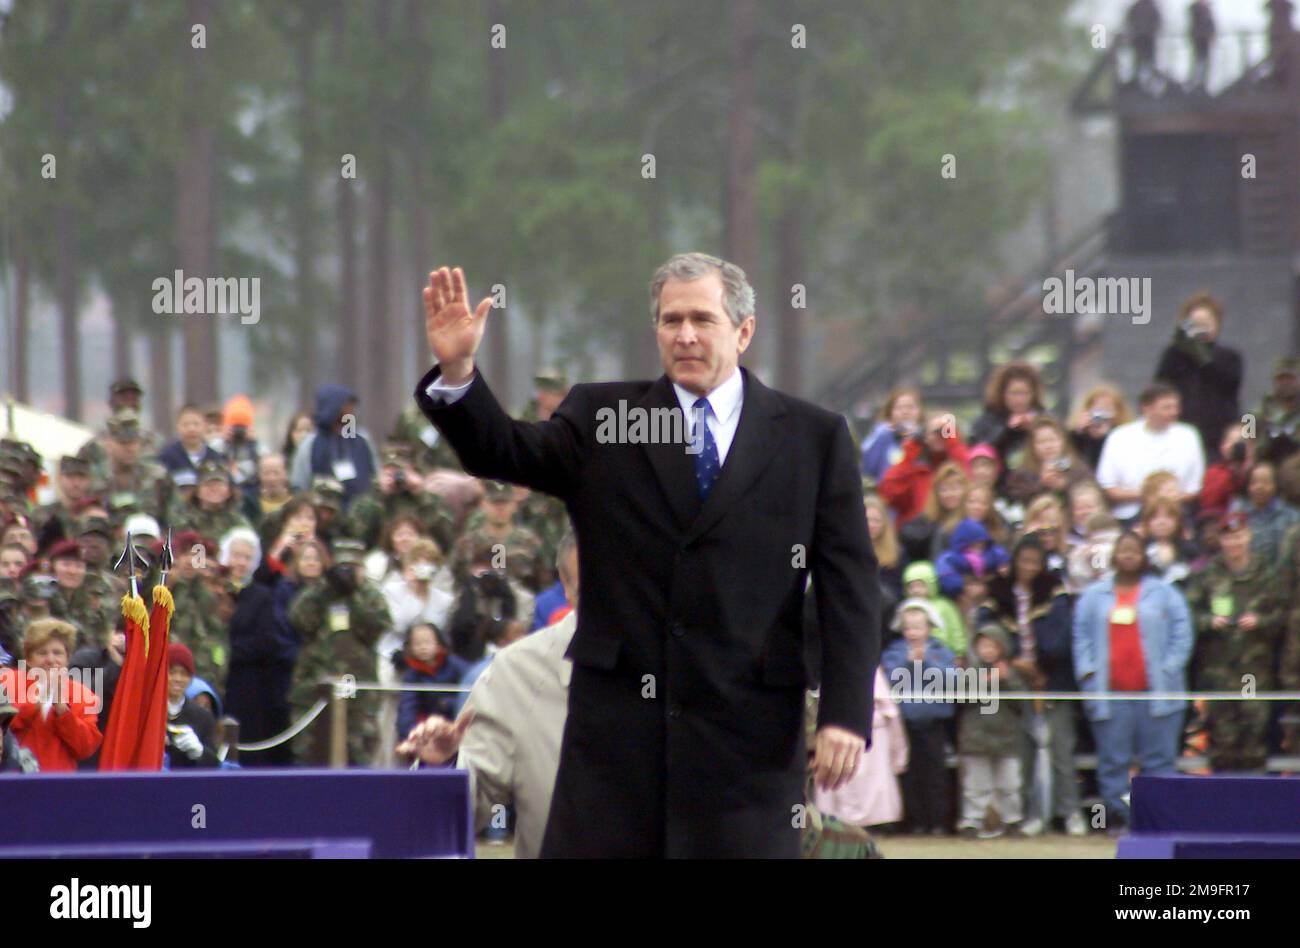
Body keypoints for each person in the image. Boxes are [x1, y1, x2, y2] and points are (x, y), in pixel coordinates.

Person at [416, 256, 880, 857]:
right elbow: (503, 451)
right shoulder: (606, 417)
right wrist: (458, 371)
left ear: (743, 331)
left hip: (750, 749)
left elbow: (852, 585)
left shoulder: (813, 437)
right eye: (670, 320)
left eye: (702, 319)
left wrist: (846, 712)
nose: (684, 334)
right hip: (616, 750)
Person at [399, 532, 582, 858]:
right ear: (566, 590)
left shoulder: (695, 657)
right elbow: (458, 811)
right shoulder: (519, 671)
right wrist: (442, 767)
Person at [1073, 531, 1192, 833]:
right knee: (1114, 764)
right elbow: (1081, 638)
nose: (1128, 555)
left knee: (1159, 763)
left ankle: (1158, 821)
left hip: (1157, 694)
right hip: (1111, 696)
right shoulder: (1093, 596)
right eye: (1123, 550)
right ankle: (1122, 818)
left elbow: (1183, 631)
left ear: (1143, 556)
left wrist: (1171, 667)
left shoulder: (1165, 593)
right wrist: (1087, 673)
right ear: (1114, 556)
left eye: (1134, 550)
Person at [976, 533, 1082, 836]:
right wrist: (1012, 661)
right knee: (1020, 755)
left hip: (1052, 681)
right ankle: (1025, 815)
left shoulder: (1055, 592)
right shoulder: (999, 593)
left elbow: (1060, 638)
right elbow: (986, 631)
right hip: (1012, 684)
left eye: (1036, 562)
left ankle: (1069, 811)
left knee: (1061, 749)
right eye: (1024, 561)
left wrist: (1042, 666)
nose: (1030, 567)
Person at [1184, 512, 1282, 772]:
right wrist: (1209, 620)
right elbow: (1189, 614)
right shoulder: (1208, 574)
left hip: (1254, 674)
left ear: (1248, 536)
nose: (1234, 542)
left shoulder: (1267, 574)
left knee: (1254, 738)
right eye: (1228, 537)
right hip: (1219, 672)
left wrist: (1260, 620)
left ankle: (1255, 805)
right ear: (1221, 540)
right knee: (1221, 742)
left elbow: (1283, 616)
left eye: (1239, 536)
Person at [880, 599, 956, 835]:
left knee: (935, 773)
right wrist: (908, 663)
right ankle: (913, 822)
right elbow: (889, 678)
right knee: (908, 774)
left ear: (929, 628)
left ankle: (937, 822)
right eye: (908, 628)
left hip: (933, 723)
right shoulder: (893, 652)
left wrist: (925, 666)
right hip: (904, 724)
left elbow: (952, 680)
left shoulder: (941, 652)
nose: (913, 633)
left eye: (918, 627)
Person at [811, 666, 908, 833]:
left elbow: (889, 711)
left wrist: (899, 752)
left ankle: (875, 823)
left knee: (871, 779)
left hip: (873, 734)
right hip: (832, 729)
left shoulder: (870, 669)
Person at [0, 618, 102, 771]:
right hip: (15, 777)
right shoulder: (7, 681)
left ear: (67, 658)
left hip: (59, 783)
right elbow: (6, 728)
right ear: (28, 659)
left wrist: (63, 711)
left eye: (57, 653)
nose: (50, 660)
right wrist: (35, 702)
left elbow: (85, 748)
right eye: (42, 653)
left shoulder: (83, 695)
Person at [1095, 382, 1205, 524]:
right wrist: (1148, 495)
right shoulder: (1120, 436)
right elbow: (1108, 486)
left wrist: (1167, 500)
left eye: (1176, 407)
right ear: (1147, 408)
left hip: (1176, 516)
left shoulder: (1189, 436)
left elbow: (1194, 487)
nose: (1173, 412)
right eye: (1166, 408)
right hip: (1129, 515)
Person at [956, 621, 1027, 839]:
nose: (987, 651)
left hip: (1006, 738)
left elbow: (1021, 703)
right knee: (976, 785)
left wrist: (1006, 680)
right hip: (976, 739)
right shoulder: (969, 672)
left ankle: (1012, 820)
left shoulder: (1012, 674)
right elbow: (963, 698)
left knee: (1010, 784)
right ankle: (972, 821)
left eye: (993, 646)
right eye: (983, 646)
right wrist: (990, 681)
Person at [1154, 291, 1242, 463]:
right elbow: (1160, 387)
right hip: (1179, 430)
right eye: (1196, 324)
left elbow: (1231, 385)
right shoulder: (1173, 355)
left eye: (1207, 323)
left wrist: (1201, 353)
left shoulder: (1229, 357)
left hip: (1216, 436)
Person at [290, 385, 380, 507]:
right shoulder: (311, 444)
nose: (351, 410)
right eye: (347, 406)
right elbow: (299, 484)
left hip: (360, 515)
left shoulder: (362, 440)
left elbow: (376, 475)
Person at [879, 412, 971, 527]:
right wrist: (910, 453)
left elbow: (967, 476)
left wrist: (952, 442)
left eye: (945, 432)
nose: (940, 436)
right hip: (920, 535)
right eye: (935, 432)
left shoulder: (958, 459)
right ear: (924, 437)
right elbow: (889, 492)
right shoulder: (917, 470)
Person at [969, 361, 1046, 477]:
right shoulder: (988, 421)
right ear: (1002, 394)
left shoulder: (1044, 419)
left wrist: (1036, 429)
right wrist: (1008, 430)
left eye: (1025, 393)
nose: (1020, 400)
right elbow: (980, 451)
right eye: (1014, 393)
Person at [164, 643, 220, 769]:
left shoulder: (203, 717)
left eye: (184, 674)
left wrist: (199, 752)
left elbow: (215, 765)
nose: (177, 679)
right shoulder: (149, 713)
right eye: (172, 672)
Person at [860, 386, 923, 485]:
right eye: (899, 408)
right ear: (890, 413)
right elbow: (867, 469)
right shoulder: (881, 436)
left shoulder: (925, 439)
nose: (905, 412)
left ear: (919, 412)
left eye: (910, 407)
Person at [1068, 384, 1132, 471]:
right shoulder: (1076, 436)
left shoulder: (1124, 436)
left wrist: (1104, 438)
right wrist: (1077, 433)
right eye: (1097, 409)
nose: (1101, 415)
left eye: (1107, 409)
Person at [1255, 357, 1300, 465]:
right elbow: (1248, 440)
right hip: (1269, 465)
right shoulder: (1260, 410)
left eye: (1290, 378)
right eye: (1281, 379)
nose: (1285, 383)